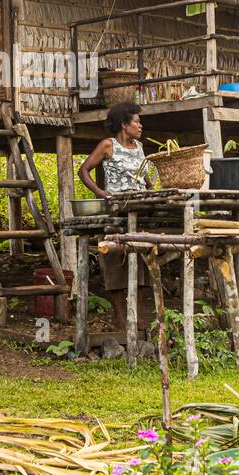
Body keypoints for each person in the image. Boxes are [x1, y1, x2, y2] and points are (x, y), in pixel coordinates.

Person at [79, 101, 152, 332]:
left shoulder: (140, 147)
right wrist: (100, 192)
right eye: (137, 121)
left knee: (141, 264)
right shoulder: (108, 145)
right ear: (124, 124)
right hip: (116, 214)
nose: (140, 125)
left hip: (140, 213)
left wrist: (153, 192)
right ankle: (120, 320)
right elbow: (83, 170)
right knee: (114, 263)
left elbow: (146, 179)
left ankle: (136, 318)